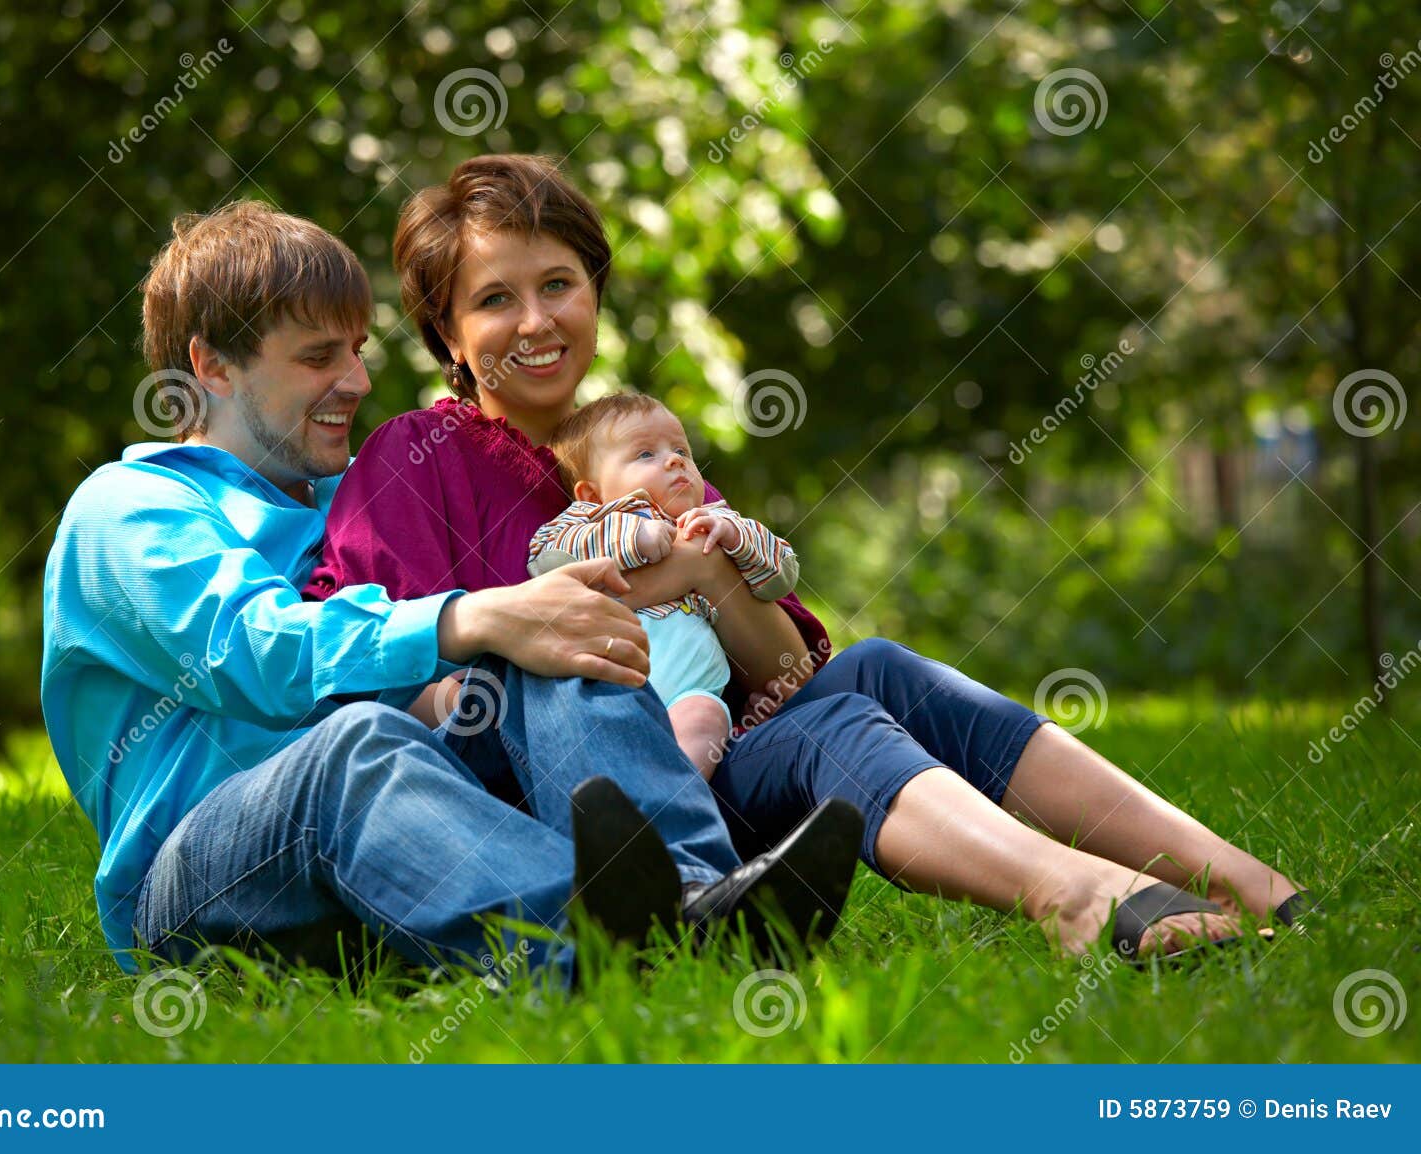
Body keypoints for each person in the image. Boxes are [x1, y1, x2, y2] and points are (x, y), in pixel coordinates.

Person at [306, 153, 1315, 964]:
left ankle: (1247, 880)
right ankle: (1080, 894)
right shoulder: (413, 454)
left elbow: (786, 676)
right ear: (446, 326)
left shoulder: (630, 445)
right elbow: (374, 671)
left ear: (595, 293)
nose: (535, 321)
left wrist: (705, 571)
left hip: (702, 769)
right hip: (558, 806)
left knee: (869, 672)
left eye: (558, 284)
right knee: (834, 709)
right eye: (493, 299)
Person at [39, 199, 862, 984]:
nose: (358, 381)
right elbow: (259, 654)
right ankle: (605, 951)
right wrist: (472, 616)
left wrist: (527, 624)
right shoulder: (130, 509)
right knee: (363, 733)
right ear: (211, 366)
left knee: (552, 635)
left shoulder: (344, 501)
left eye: (357, 349)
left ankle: (700, 894)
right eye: (319, 356)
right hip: (205, 885)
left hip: (393, 856)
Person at [526, 393, 798, 777]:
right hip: (607, 688)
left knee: (705, 720)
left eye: (681, 450)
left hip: (688, 695)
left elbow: (781, 575)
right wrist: (633, 538)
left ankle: (677, 800)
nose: (674, 461)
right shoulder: (588, 521)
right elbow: (548, 561)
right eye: (644, 455)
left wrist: (735, 537)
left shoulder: (712, 520)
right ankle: (627, 803)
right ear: (591, 493)